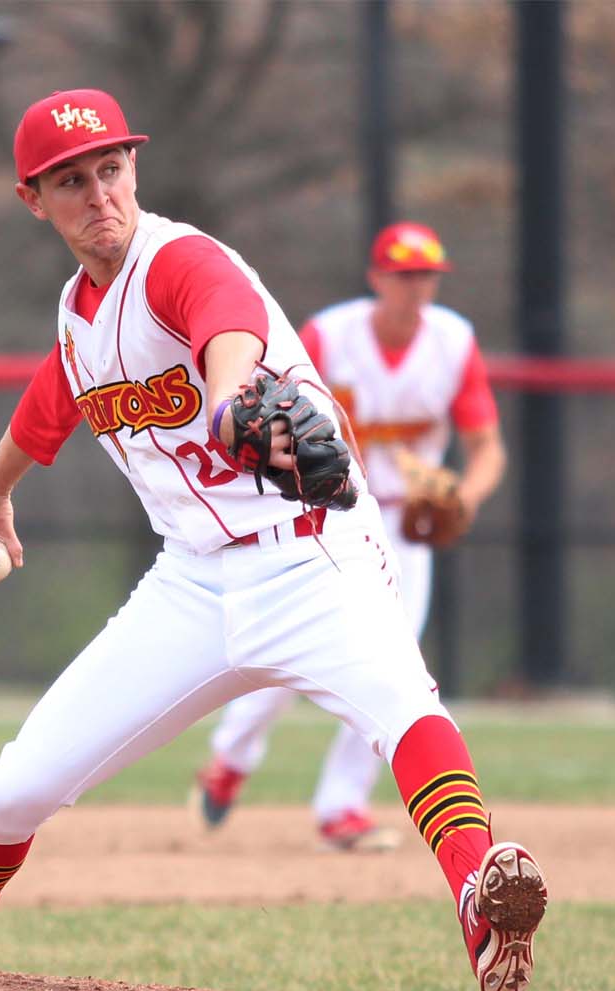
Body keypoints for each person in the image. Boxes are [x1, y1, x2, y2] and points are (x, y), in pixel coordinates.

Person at [0, 89, 547, 991]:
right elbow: (56, 397)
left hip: (310, 557)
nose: (101, 196)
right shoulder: (80, 315)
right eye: (72, 182)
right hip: (190, 584)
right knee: (9, 793)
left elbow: (224, 318)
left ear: (135, 169)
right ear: (33, 200)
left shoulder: (180, 259)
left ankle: (482, 898)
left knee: (402, 709)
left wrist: (231, 398)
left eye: (112, 170)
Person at [192, 221, 507, 853]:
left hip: (410, 522)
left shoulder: (453, 341)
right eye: (404, 275)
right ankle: (231, 757)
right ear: (377, 279)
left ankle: (342, 806)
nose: (417, 288)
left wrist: (465, 499)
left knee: (394, 666)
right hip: (329, 509)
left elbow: (486, 447)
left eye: (428, 276)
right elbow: (267, 398)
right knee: (284, 654)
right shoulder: (329, 335)